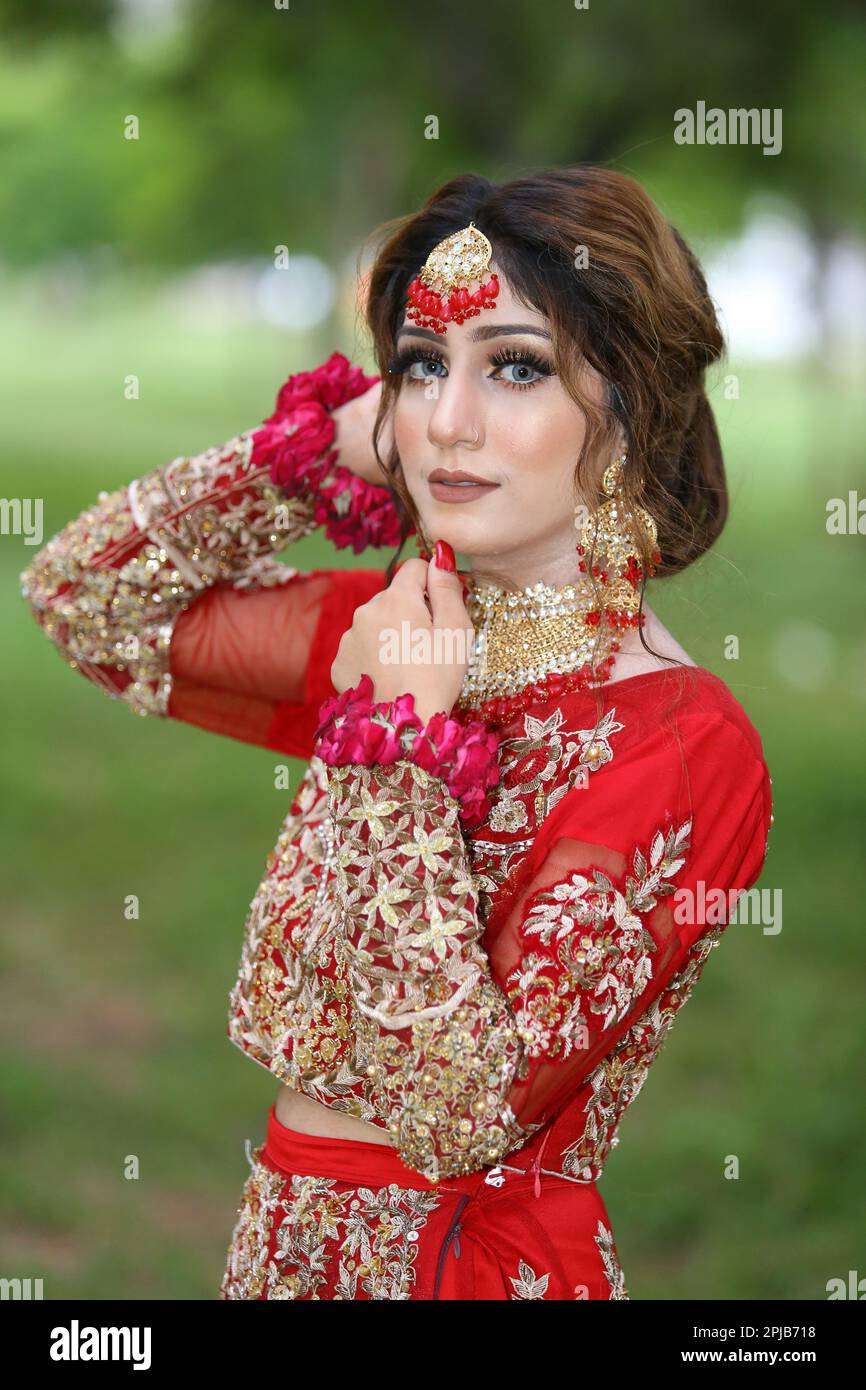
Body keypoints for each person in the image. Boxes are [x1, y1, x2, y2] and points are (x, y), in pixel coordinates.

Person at [20, 166, 773, 1301]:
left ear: (630, 405)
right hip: (280, 1252)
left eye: (514, 366)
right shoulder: (395, 634)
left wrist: (394, 756)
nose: (446, 422)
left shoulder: (680, 744)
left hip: (463, 1266)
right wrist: (321, 447)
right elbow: (86, 601)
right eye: (422, 363)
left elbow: (455, 1113)